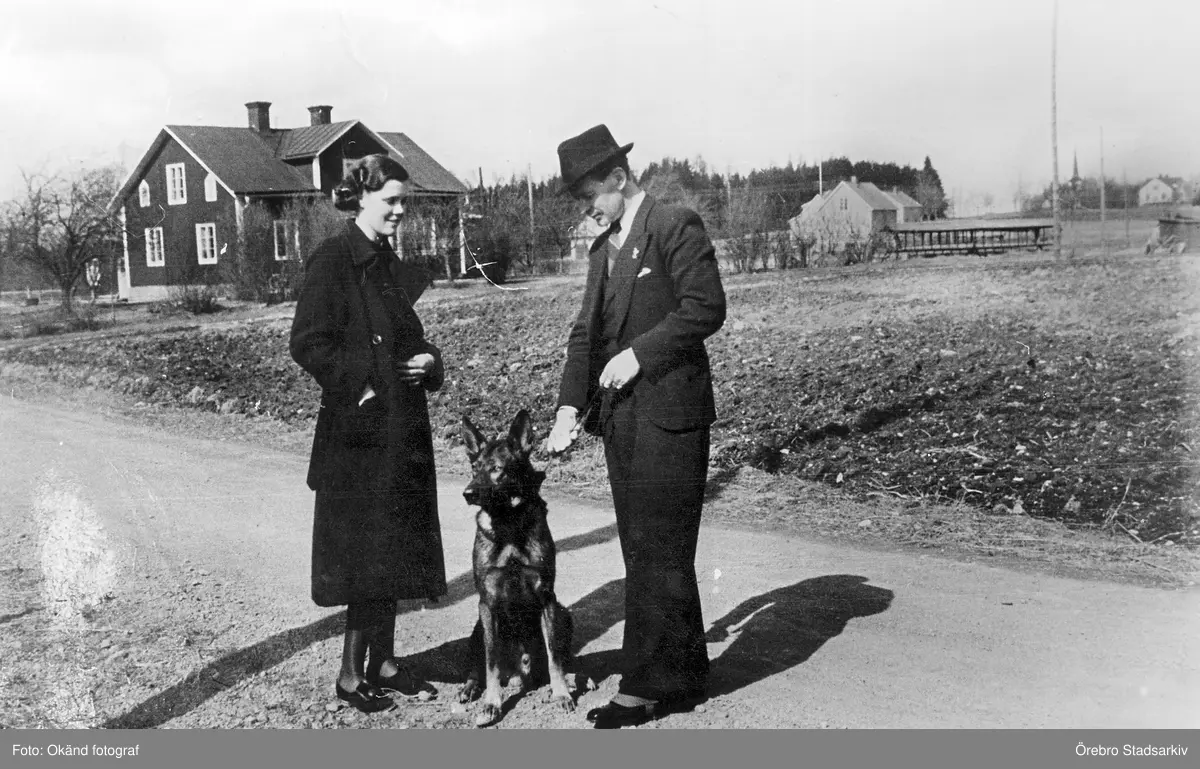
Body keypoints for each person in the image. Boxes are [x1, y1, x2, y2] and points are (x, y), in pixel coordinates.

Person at [547, 124, 727, 728]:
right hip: (624, 425)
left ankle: (644, 684)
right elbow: (585, 334)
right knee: (646, 549)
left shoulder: (673, 225)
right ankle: (685, 674)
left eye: (590, 197)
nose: (587, 211)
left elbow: (706, 308)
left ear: (619, 179)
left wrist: (639, 355)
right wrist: (570, 407)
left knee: (660, 549)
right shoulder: (604, 251)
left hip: (672, 417)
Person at [290, 154, 446, 713]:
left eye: (405, 201)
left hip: (399, 431)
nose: (401, 211)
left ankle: (384, 662)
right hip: (358, 435)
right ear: (360, 199)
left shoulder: (384, 262)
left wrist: (429, 362)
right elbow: (309, 343)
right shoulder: (334, 260)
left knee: (393, 550)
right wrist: (364, 385)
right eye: (391, 202)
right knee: (365, 557)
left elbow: (409, 336)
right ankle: (350, 676)